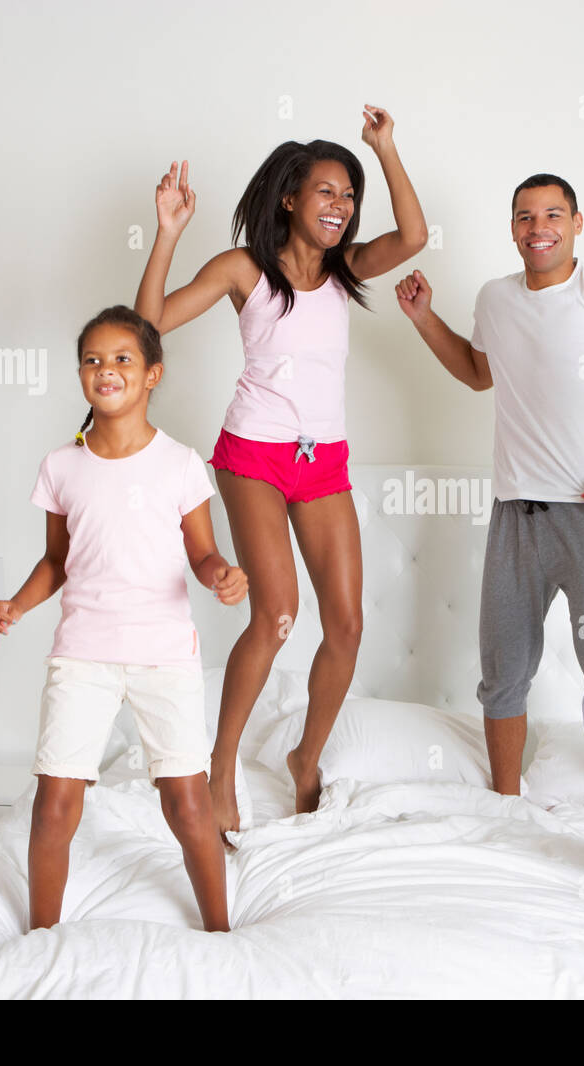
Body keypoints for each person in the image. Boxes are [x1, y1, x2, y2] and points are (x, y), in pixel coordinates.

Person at [134, 105, 427, 834]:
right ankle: (219, 766)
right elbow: (148, 324)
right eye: (328, 191)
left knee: (349, 625)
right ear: (292, 197)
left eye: (349, 196)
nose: (341, 207)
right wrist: (168, 234)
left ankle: (306, 758)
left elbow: (414, 236)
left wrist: (384, 148)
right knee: (277, 614)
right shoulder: (245, 269)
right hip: (253, 457)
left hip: (323, 461)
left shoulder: (345, 270)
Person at [0, 305, 248, 932]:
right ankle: (41, 937)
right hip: (83, 655)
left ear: (152, 374)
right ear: (81, 375)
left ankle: (222, 932)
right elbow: (56, 561)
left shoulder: (181, 463)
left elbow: (203, 553)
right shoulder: (62, 465)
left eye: (123, 358)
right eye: (93, 360)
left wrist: (222, 576)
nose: (107, 370)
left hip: (164, 656)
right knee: (53, 807)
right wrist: (15, 607)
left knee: (187, 803)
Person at [395, 173, 584, 794]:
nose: (539, 229)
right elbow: (479, 373)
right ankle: (505, 805)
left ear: (578, 224)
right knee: (503, 672)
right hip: (515, 517)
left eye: (553, 215)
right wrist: (425, 318)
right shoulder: (495, 299)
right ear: (512, 228)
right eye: (525, 217)